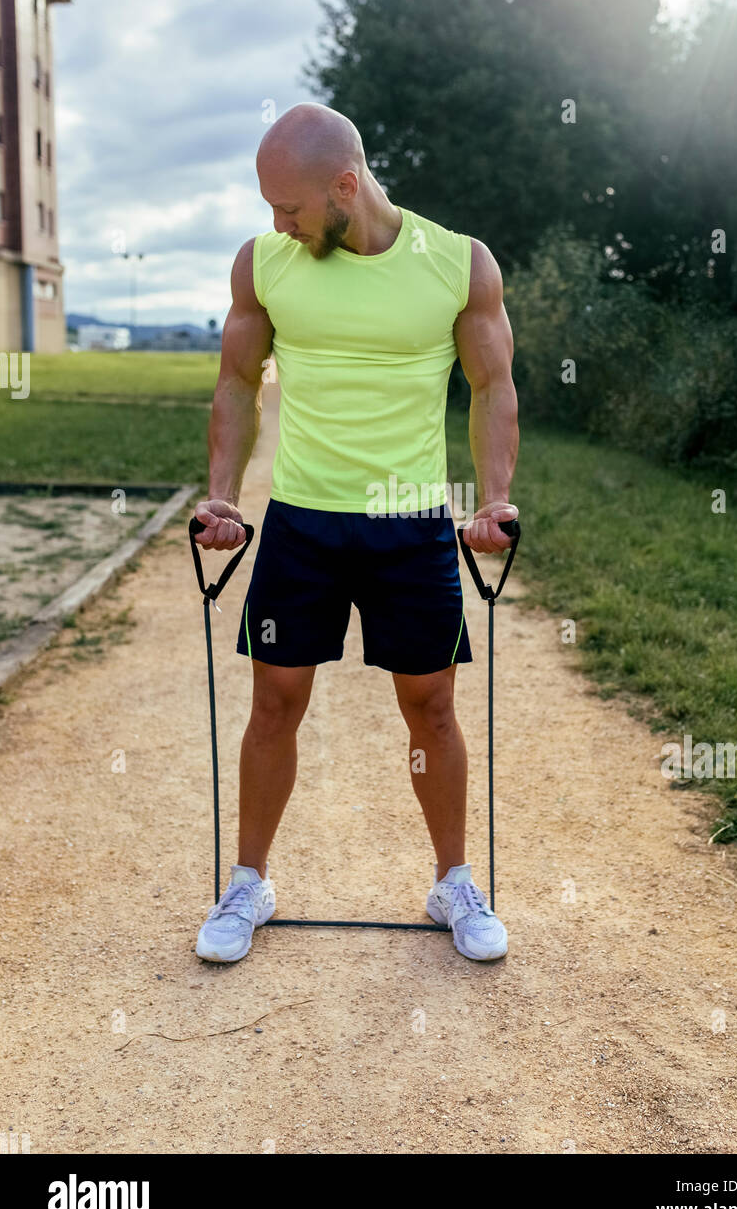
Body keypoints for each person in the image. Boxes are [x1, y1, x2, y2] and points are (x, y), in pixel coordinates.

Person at [191, 102, 518, 963]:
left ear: (345, 186)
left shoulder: (456, 263)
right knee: (274, 705)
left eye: (289, 208)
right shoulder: (264, 264)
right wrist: (222, 494)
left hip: (407, 526)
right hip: (300, 523)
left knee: (432, 707)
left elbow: (491, 385)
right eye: (269, 210)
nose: (277, 224)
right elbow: (234, 379)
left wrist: (493, 499)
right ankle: (246, 884)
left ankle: (453, 882)